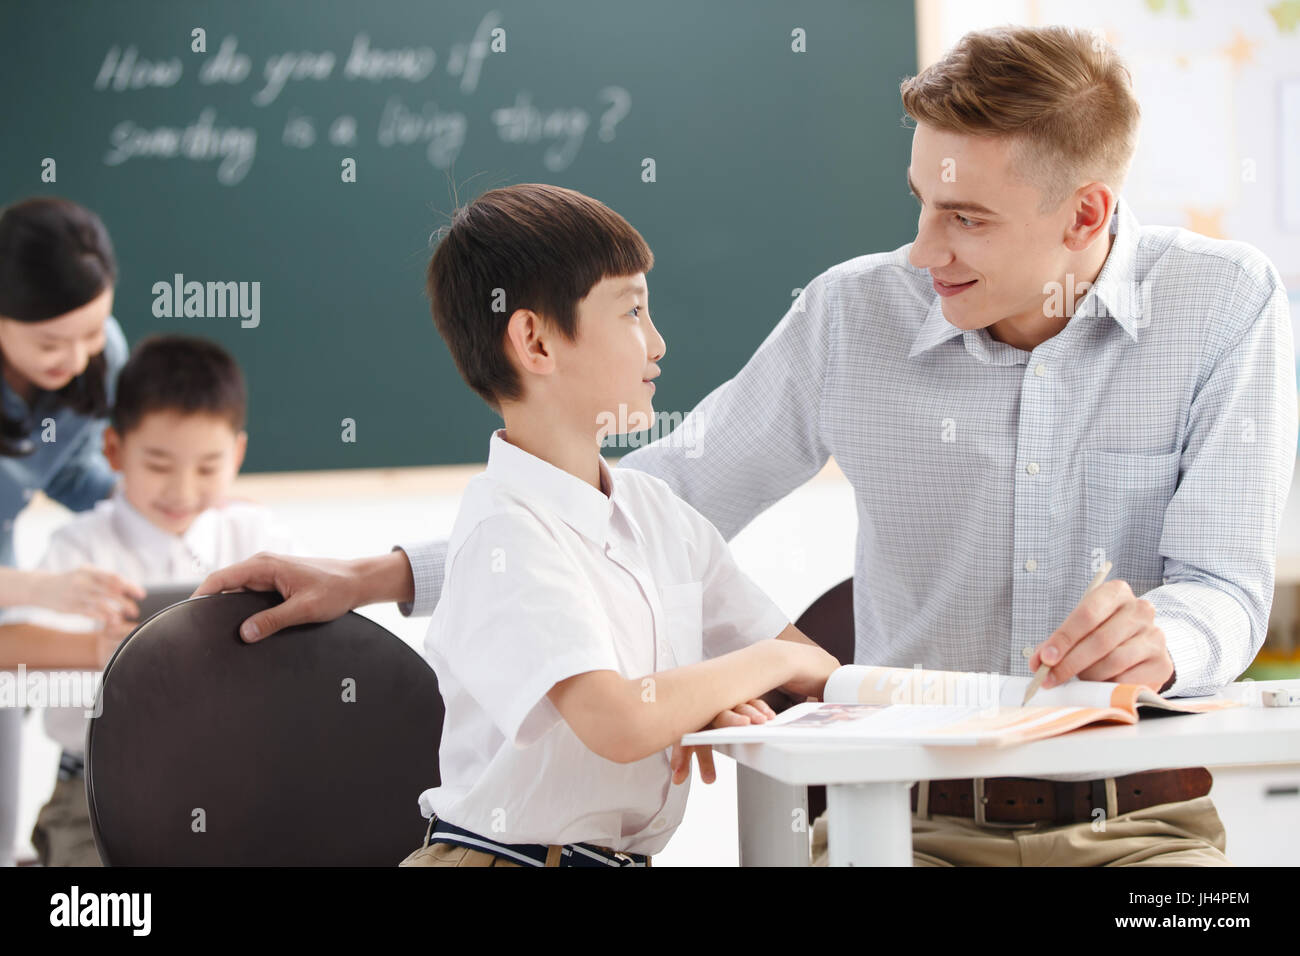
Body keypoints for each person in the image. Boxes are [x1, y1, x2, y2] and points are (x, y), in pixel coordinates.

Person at [198, 25, 1296, 866]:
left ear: (1085, 214)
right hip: (892, 830)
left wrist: (1167, 638)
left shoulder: (1224, 303)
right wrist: (386, 572)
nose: (920, 250)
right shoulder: (847, 316)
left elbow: (1223, 587)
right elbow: (656, 500)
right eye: (918, 201)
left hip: (1141, 830)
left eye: (963, 217)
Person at [203, 183, 840, 867]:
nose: (658, 342)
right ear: (534, 340)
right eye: (632, 310)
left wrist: (702, 698)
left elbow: (816, 671)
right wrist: (754, 670)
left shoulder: (661, 516)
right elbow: (620, 720)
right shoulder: (503, 532)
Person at [0, 334, 296, 865]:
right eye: (159, 465)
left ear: (238, 455)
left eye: (207, 468)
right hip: (94, 793)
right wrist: (97, 649)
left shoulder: (256, 535)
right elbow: (10, 655)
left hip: (232, 786)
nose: (182, 491)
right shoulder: (80, 548)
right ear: (113, 451)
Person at [0, 197, 143, 866]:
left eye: (90, 332)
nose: (78, 356)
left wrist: (149, 493)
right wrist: (44, 589)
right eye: (50, 343)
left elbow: (61, 472)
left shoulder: (98, 354)